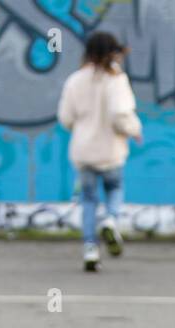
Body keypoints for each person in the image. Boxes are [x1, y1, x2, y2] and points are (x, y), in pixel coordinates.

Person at [57, 32, 143, 272]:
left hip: (83, 152)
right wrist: (134, 130)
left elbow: (65, 118)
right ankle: (111, 220)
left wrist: (83, 126)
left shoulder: (75, 80)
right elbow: (120, 115)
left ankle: (90, 249)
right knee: (114, 189)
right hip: (110, 151)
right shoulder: (117, 80)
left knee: (88, 200)